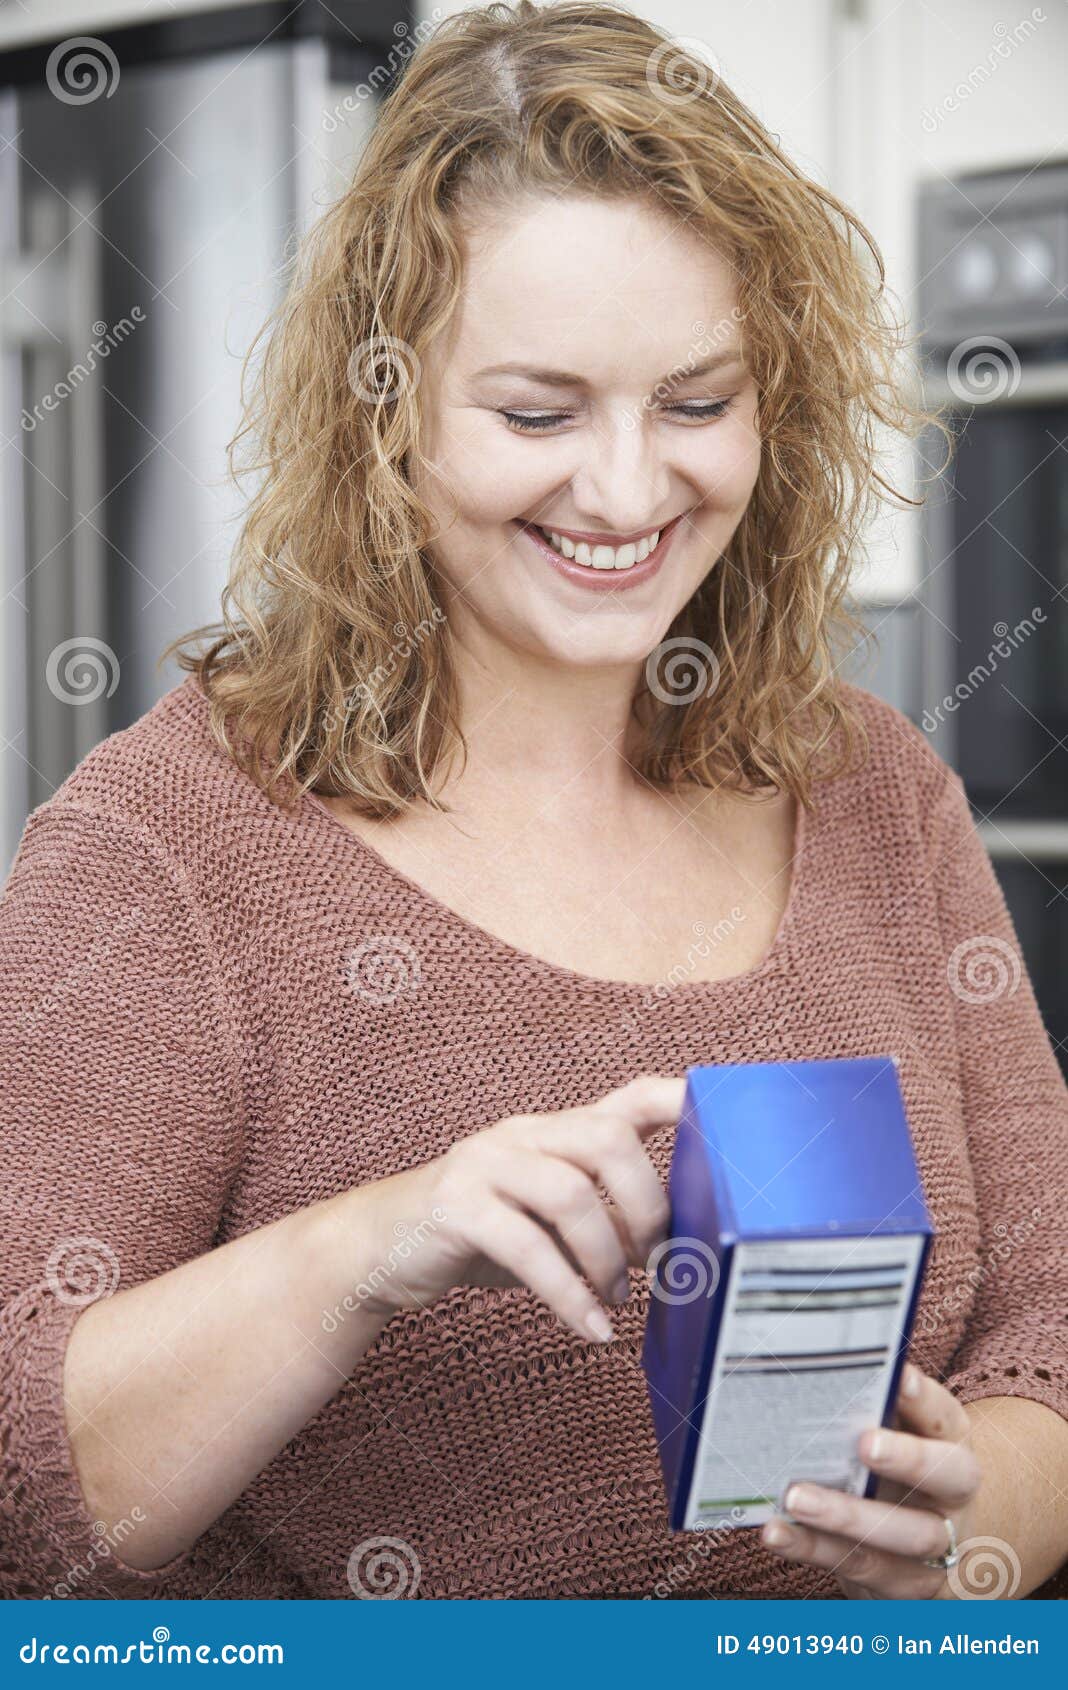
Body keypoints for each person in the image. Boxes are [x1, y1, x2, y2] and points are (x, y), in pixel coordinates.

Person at [1, 1, 1065, 1602]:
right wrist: (371, 1244)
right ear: (387, 415)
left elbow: (1052, 1323)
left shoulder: (874, 789)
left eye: (698, 404)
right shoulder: (165, 844)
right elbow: (30, 1480)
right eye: (539, 413)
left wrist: (962, 1538)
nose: (631, 491)